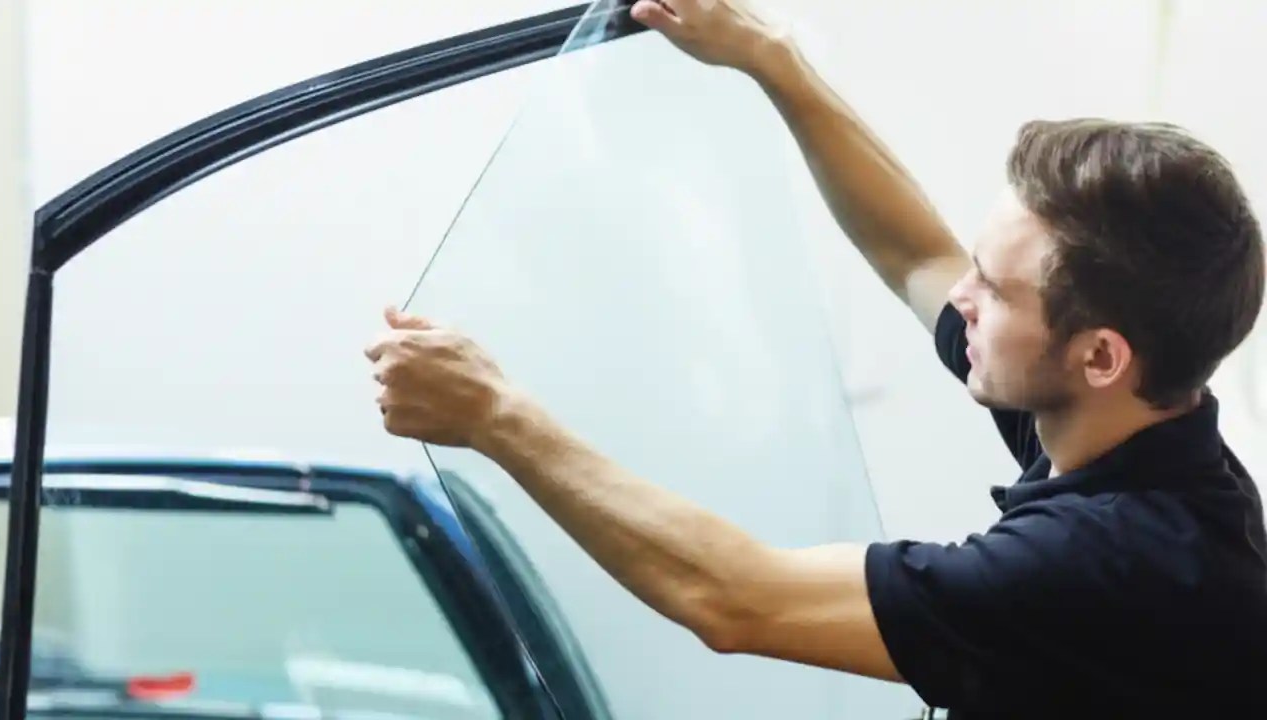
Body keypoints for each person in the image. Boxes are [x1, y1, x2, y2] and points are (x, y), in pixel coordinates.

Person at [364, 0, 1267, 716]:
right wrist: (772, 59)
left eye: (995, 289)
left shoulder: (1111, 565)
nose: (964, 297)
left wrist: (493, 415)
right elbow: (914, 253)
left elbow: (735, 599)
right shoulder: (1131, 429)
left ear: (1101, 356)